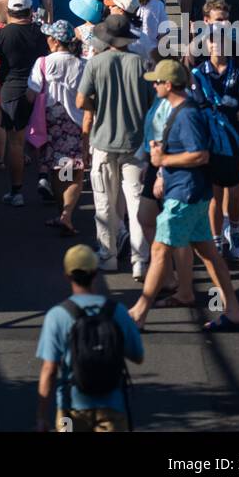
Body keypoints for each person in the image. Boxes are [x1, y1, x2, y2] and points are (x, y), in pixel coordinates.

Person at [129, 59, 239, 331]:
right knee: (208, 254)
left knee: (159, 250)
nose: (154, 85)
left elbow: (200, 154)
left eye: (157, 81)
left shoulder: (186, 114)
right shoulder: (179, 110)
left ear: (169, 85)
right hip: (191, 192)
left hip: (186, 194)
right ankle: (234, 311)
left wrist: (164, 160)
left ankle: (139, 312)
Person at [35, 244, 144, 434]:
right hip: (112, 406)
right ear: (95, 273)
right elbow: (137, 355)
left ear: (67, 276)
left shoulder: (57, 315)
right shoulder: (117, 311)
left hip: (70, 410)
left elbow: (49, 370)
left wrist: (42, 417)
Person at [75, 14, 152, 279]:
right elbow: (152, 105)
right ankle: (140, 260)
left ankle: (107, 255)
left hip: (103, 142)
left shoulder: (96, 63)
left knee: (104, 202)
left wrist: (96, 108)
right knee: (136, 202)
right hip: (135, 142)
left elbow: (80, 100)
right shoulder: (141, 64)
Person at [188, 0, 239, 261]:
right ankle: (216, 240)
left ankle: (233, 229)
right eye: (213, 37)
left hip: (234, 138)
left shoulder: (238, 73)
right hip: (209, 142)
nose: (218, 41)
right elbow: (196, 108)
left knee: (236, 193)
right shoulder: (198, 71)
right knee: (214, 194)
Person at [0, 0, 49, 206]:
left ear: (9, 12)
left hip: (12, 90)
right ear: (30, 11)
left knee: (16, 142)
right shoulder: (41, 32)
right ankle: (45, 180)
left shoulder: (2, 34)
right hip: (40, 89)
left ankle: (16, 192)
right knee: (43, 138)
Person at [27, 21, 88, 235]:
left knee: (59, 169)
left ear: (54, 41)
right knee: (76, 171)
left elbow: (31, 94)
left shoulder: (43, 63)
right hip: (77, 121)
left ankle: (63, 213)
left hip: (51, 121)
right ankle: (66, 215)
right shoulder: (82, 64)